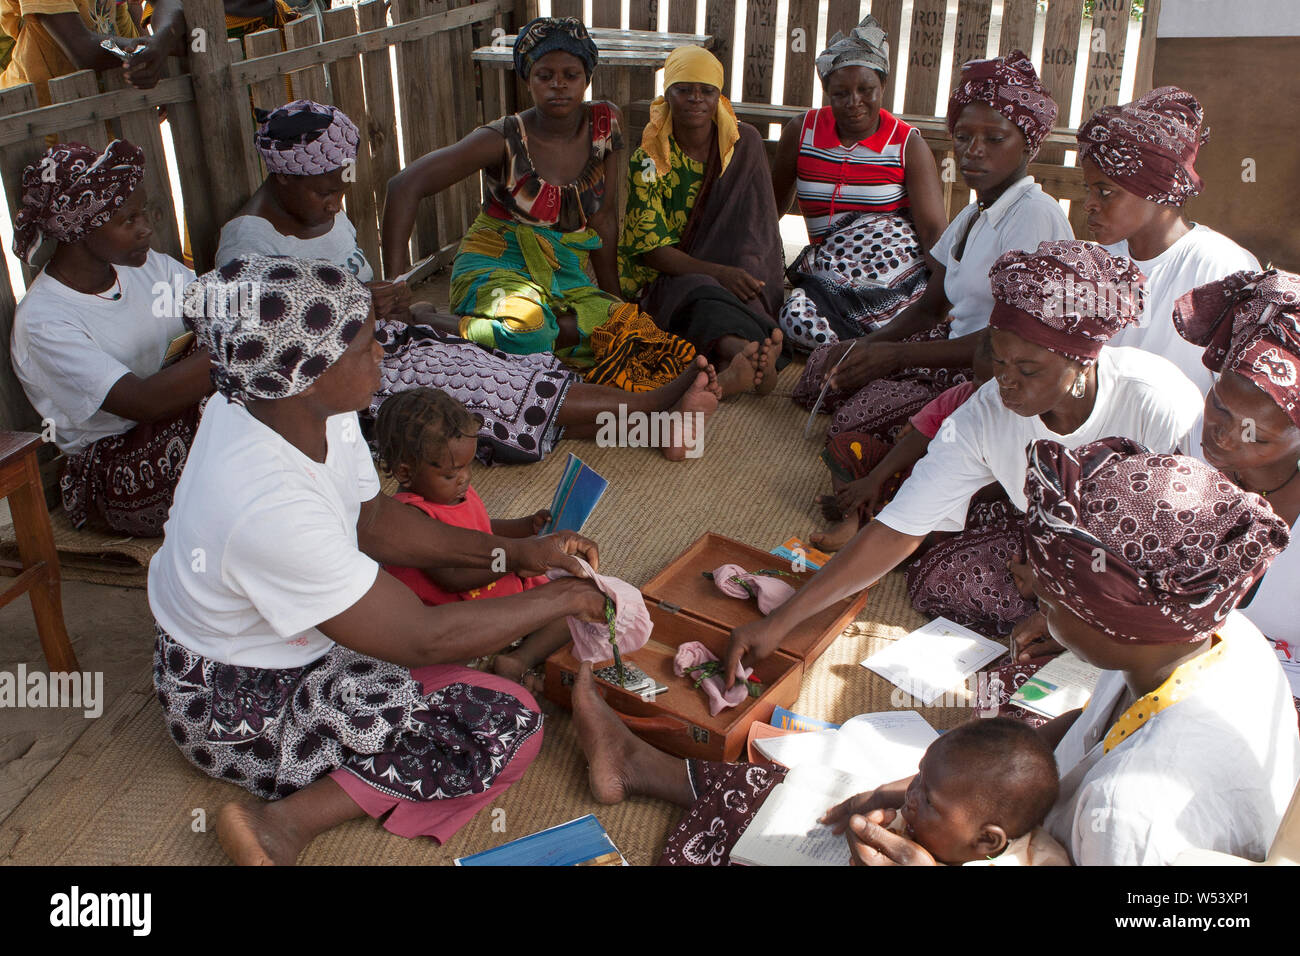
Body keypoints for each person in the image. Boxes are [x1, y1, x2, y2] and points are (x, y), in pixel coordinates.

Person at [570, 437, 1299, 866]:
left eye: (1050, 604)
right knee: (861, 791)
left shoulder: (1128, 815)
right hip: (1045, 833)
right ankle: (641, 763)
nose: (1035, 613)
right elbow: (1099, 733)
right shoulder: (1216, 631)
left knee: (812, 838)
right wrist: (951, 777)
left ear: (1118, 623)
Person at [148, 255, 611, 865]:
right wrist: (563, 595)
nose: (384, 353)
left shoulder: (293, 406)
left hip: (289, 637)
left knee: (467, 635)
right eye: (367, 345)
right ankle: (284, 823)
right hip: (241, 701)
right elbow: (420, 637)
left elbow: (374, 520)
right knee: (508, 722)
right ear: (309, 374)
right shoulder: (264, 502)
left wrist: (516, 552)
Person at [735, 241, 1204, 647]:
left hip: (1144, 572)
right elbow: (898, 528)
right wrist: (781, 623)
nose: (1006, 383)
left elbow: (1184, 552)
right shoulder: (986, 410)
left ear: (1084, 362)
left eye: (1028, 370)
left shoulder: (1156, 406)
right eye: (998, 360)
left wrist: (1064, 603)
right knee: (935, 580)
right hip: (1048, 532)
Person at [218, 99, 727, 464]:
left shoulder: (319, 213)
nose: (336, 205)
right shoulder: (248, 246)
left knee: (504, 369)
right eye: (325, 193)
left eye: (339, 192)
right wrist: (359, 308)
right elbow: (266, 356)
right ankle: (650, 413)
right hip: (336, 376)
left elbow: (342, 293)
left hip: (379, 343)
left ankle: (652, 420)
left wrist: (386, 299)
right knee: (491, 390)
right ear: (283, 178)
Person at [381, 17, 772, 398]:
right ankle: (429, 320)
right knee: (529, 329)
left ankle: (707, 380)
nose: (558, 86)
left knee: (632, 333)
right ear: (527, 79)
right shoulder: (502, 138)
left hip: (563, 273)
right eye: (545, 75)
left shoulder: (605, 125)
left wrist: (615, 301)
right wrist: (395, 288)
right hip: (496, 265)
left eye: (570, 75)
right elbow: (404, 186)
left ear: (587, 78)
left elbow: (602, 220)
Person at [794, 51, 1072, 445]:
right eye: (963, 137)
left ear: (1028, 144)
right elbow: (931, 306)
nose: (973, 150)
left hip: (990, 370)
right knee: (823, 369)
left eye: (994, 139)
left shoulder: (1034, 218)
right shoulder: (976, 212)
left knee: (853, 424)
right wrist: (869, 344)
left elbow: (1019, 343)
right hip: (949, 344)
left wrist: (898, 356)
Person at [9, 140, 212, 537]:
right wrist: (240, 349)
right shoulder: (44, 320)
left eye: (142, 213)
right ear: (81, 228)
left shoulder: (149, 268)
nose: (146, 228)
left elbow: (221, 307)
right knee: (238, 400)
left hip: (184, 419)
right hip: (114, 469)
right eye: (128, 220)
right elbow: (144, 403)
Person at [373, 387, 571, 690]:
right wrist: (515, 558)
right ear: (405, 472)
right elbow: (453, 577)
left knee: (570, 606)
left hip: (502, 589)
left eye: (467, 466)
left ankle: (517, 658)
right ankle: (518, 659)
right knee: (560, 608)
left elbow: (481, 530)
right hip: (466, 614)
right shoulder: (411, 517)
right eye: (452, 473)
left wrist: (525, 527)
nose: (464, 478)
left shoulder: (456, 492)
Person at [771, 15, 947, 349]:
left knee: (911, 320)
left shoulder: (907, 144)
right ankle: (865, 349)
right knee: (795, 319)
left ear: (882, 87)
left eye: (866, 90)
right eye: (841, 93)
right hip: (830, 274)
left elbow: (933, 231)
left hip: (892, 270)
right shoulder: (801, 132)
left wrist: (945, 294)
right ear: (826, 92)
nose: (855, 103)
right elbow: (771, 208)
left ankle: (872, 345)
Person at [618, 44, 785, 389]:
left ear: (718, 98)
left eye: (706, 91)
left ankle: (738, 361)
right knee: (697, 292)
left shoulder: (743, 143)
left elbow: (758, 229)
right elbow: (653, 251)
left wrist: (741, 273)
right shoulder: (650, 159)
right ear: (668, 95)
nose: (696, 99)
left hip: (731, 264)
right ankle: (743, 351)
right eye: (684, 90)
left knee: (748, 294)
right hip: (673, 272)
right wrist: (719, 272)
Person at [1077, 86, 1259, 401]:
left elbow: (1240, 396)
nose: (1088, 204)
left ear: (1156, 191)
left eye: (1104, 191)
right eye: (1089, 189)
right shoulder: (1094, 263)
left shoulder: (1222, 268)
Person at [811, 331, 995, 552]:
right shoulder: (961, 396)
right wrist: (874, 479)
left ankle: (869, 527)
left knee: (942, 534)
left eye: (989, 385)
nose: (980, 392)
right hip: (907, 478)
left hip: (944, 499)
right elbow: (919, 436)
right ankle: (851, 517)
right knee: (847, 445)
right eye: (976, 380)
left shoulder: (1015, 423)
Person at [0, 0, 184, 104]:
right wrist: (156, 48)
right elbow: (83, 49)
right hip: (41, 117)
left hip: (108, 105)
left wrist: (162, 39)